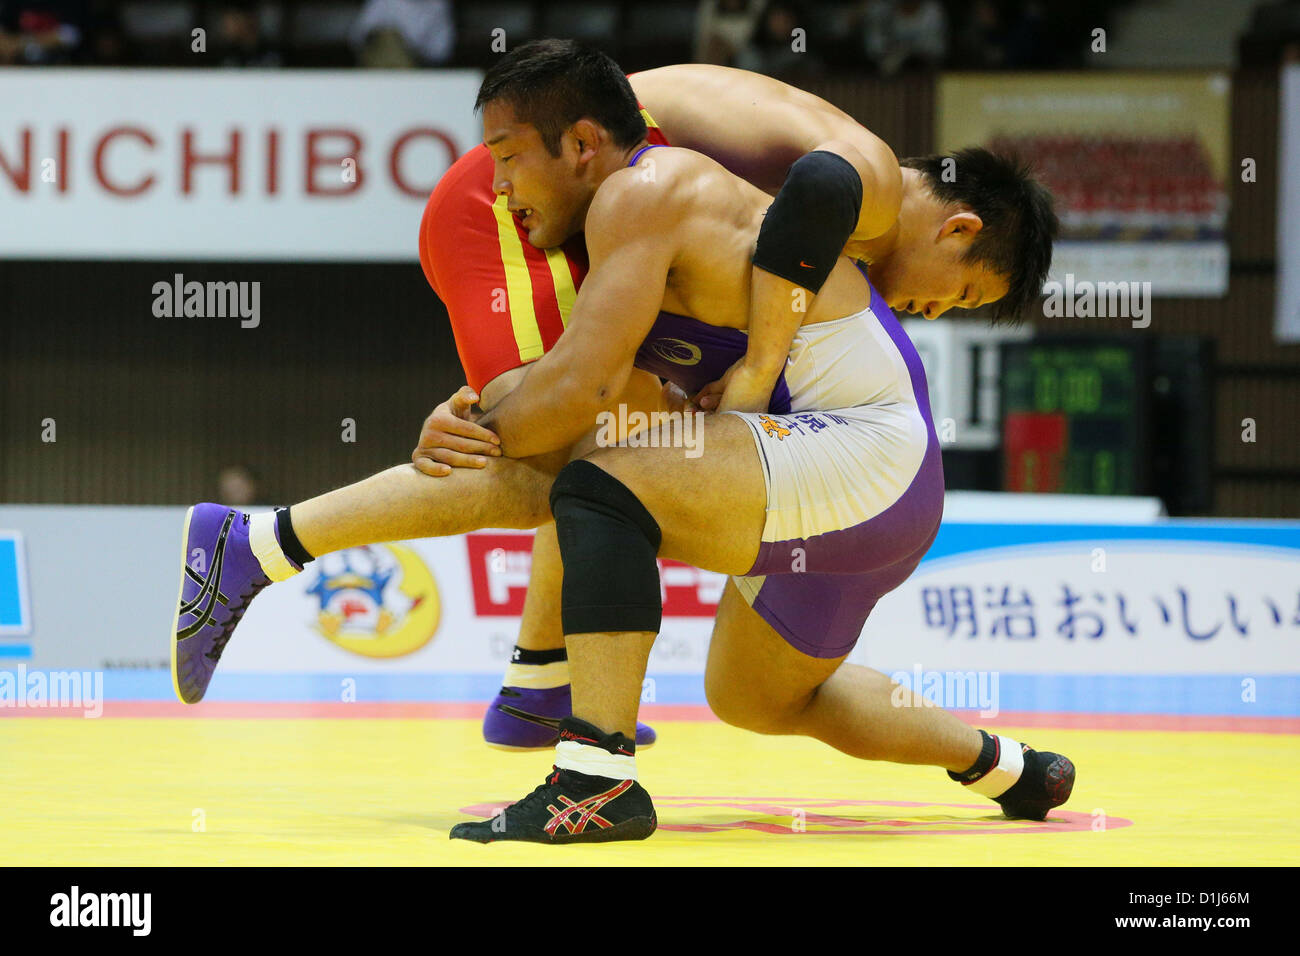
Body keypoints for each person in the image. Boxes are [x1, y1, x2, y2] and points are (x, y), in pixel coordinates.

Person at [171, 48, 1056, 784]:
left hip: (602, 213)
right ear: (959, 229)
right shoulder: (865, 181)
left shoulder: (784, 248)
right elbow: (818, 187)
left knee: (617, 451)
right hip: (524, 208)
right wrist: (754, 372)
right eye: (959, 297)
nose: (930, 313)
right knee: (582, 453)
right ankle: (263, 547)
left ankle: (535, 683)